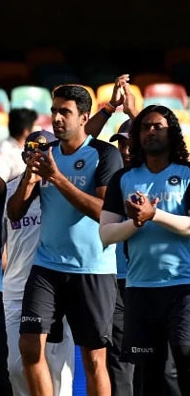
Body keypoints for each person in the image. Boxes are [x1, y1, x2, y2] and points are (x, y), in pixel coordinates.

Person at [7, 84, 123, 396]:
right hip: (47, 267)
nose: (57, 118)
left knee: (94, 359)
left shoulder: (104, 154)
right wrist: (28, 179)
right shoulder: (45, 155)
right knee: (29, 347)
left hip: (93, 268)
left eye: (65, 112)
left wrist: (57, 178)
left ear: (84, 117)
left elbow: (104, 212)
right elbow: (15, 213)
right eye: (54, 111)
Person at [99, 105, 190, 394]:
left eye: (157, 126)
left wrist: (154, 215)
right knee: (148, 372)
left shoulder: (186, 174)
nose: (150, 131)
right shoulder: (122, 179)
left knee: (184, 357)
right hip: (139, 288)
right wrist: (136, 223)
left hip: (183, 286)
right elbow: (106, 233)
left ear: (172, 132)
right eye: (145, 127)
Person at [2, 131, 75, 396]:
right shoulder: (8, 191)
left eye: (45, 151)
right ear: (24, 156)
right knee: (16, 367)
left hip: (55, 289)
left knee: (57, 371)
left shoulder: (64, 188)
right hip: (15, 291)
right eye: (33, 151)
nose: (38, 156)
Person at [0, 108, 38, 182]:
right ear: (26, 131)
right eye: (35, 126)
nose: (38, 129)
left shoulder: (33, 147)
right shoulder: (4, 150)